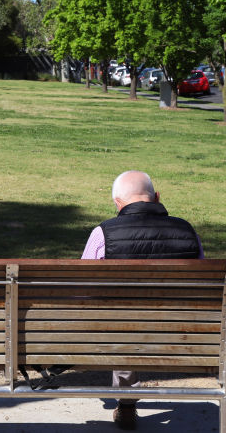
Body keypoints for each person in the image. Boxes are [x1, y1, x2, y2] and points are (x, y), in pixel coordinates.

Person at [81, 170, 203, 430]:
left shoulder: (103, 234)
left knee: (122, 320)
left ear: (117, 202)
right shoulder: (187, 231)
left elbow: (81, 289)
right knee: (131, 319)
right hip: (182, 334)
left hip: (122, 335)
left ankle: (126, 402)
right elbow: (203, 286)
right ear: (157, 197)